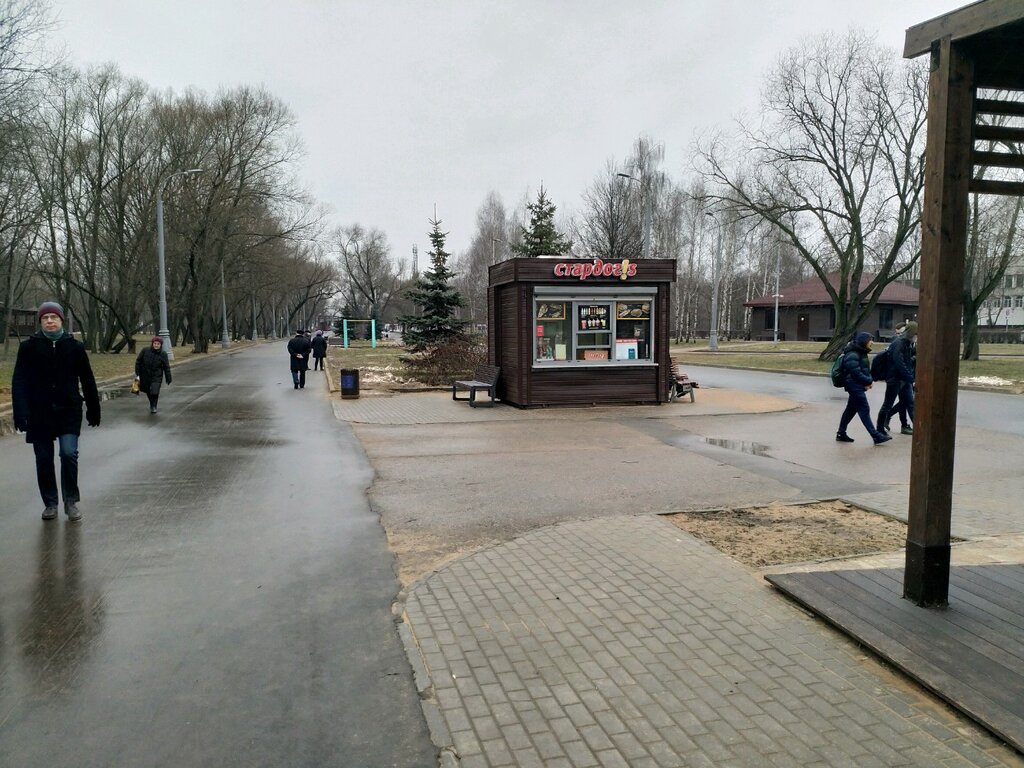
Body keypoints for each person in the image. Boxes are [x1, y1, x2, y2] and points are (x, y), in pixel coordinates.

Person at [11, 302, 101, 522]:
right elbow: (19, 381)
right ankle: (50, 503)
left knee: (68, 453)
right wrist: (20, 411)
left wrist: (93, 408)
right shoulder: (29, 348)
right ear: (40, 322)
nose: (50, 321)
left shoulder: (75, 347)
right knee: (43, 458)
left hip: (68, 409)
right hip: (38, 411)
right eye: (45, 318)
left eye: (54, 317)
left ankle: (70, 501)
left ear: (62, 320)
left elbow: (87, 380)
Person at [836, 331, 891, 445]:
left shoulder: (860, 352)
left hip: (856, 385)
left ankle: (841, 433)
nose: (872, 342)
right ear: (863, 341)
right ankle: (875, 436)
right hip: (853, 385)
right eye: (870, 340)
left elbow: (864, 370)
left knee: (850, 410)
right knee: (864, 409)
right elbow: (855, 372)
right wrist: (868, 380)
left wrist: (868, 380)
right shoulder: (853, 354)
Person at [877, 321, 917, 436]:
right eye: (915, 334)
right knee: (887, 404)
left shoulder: (907, 343)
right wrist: (910, 378)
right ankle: (880, 429)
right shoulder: (899, 343)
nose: (916, 337)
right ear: (911, 333)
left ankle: (919, 429)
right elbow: (899, 363)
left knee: (910, 403)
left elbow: (907, 362)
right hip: (895, 379)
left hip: (904, 379)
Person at [134, 336, 172, 414]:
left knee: (154, 391)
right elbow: (138, 362)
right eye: (155, 343)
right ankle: (152, 404)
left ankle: (154, 406)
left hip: (157, 376)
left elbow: (166, 367)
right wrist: (138, 373)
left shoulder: (163, 354)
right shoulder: (145, 350)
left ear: (161, 345)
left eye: (158, 344)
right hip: (145, 375)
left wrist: (168, 377)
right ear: (152, 344)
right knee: (148, 391)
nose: (156, 345)